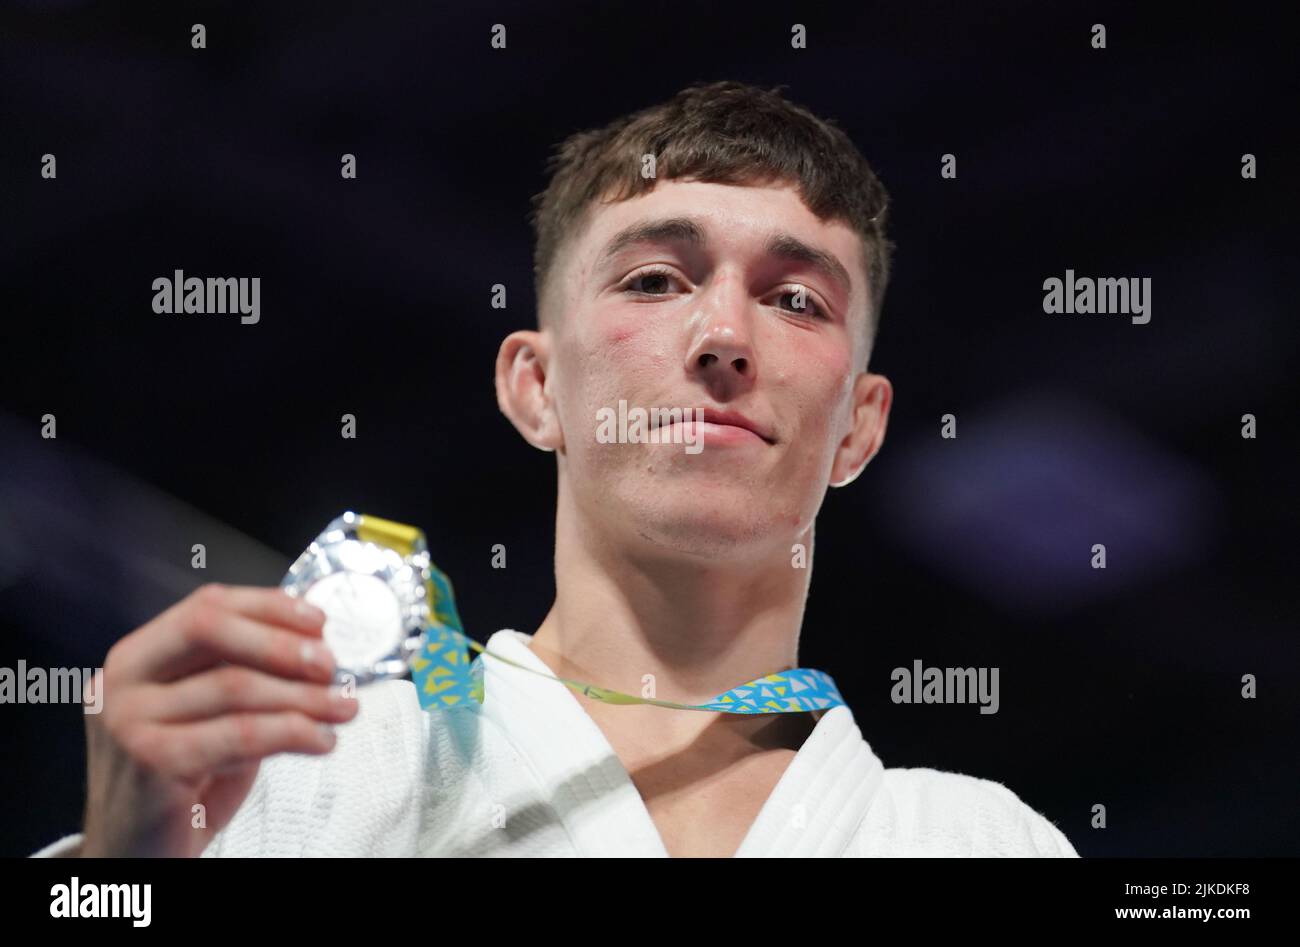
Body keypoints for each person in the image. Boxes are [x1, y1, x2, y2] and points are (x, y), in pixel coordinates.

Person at [33, 80, 1077, 858]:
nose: (724, 333)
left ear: (857, 425)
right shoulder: (303, 777)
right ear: (536, 387)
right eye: (656, 277)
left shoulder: (974, 838)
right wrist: (128, 868)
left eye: (796, 299)